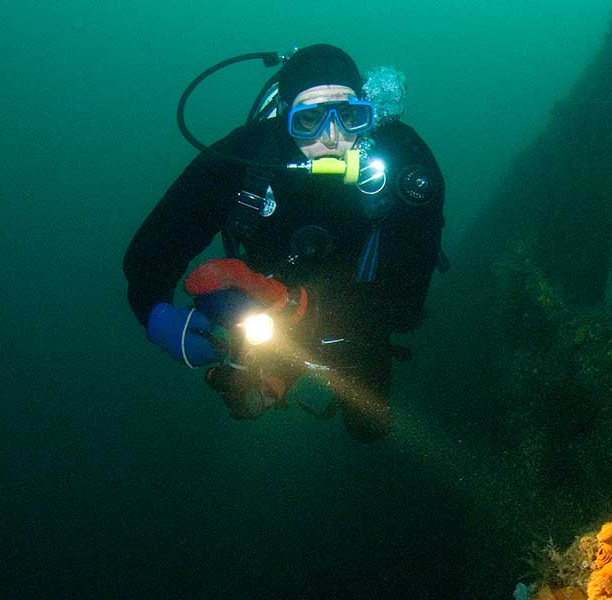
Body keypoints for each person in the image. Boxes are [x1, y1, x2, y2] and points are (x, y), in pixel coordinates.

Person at [123, 44, 445, 441]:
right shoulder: (245, 155)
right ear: (283, 117)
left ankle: (286, 370)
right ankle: (276, 372)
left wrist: (291, 302)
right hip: (265, 314)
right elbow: (152, 251)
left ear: (367, 112)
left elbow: (406, 308)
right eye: (308, 118)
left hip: (362, 315)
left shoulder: (405, 161)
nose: (331, 137)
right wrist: (154, 313)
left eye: (348, 116)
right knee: (241, 400)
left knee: (369, 428)